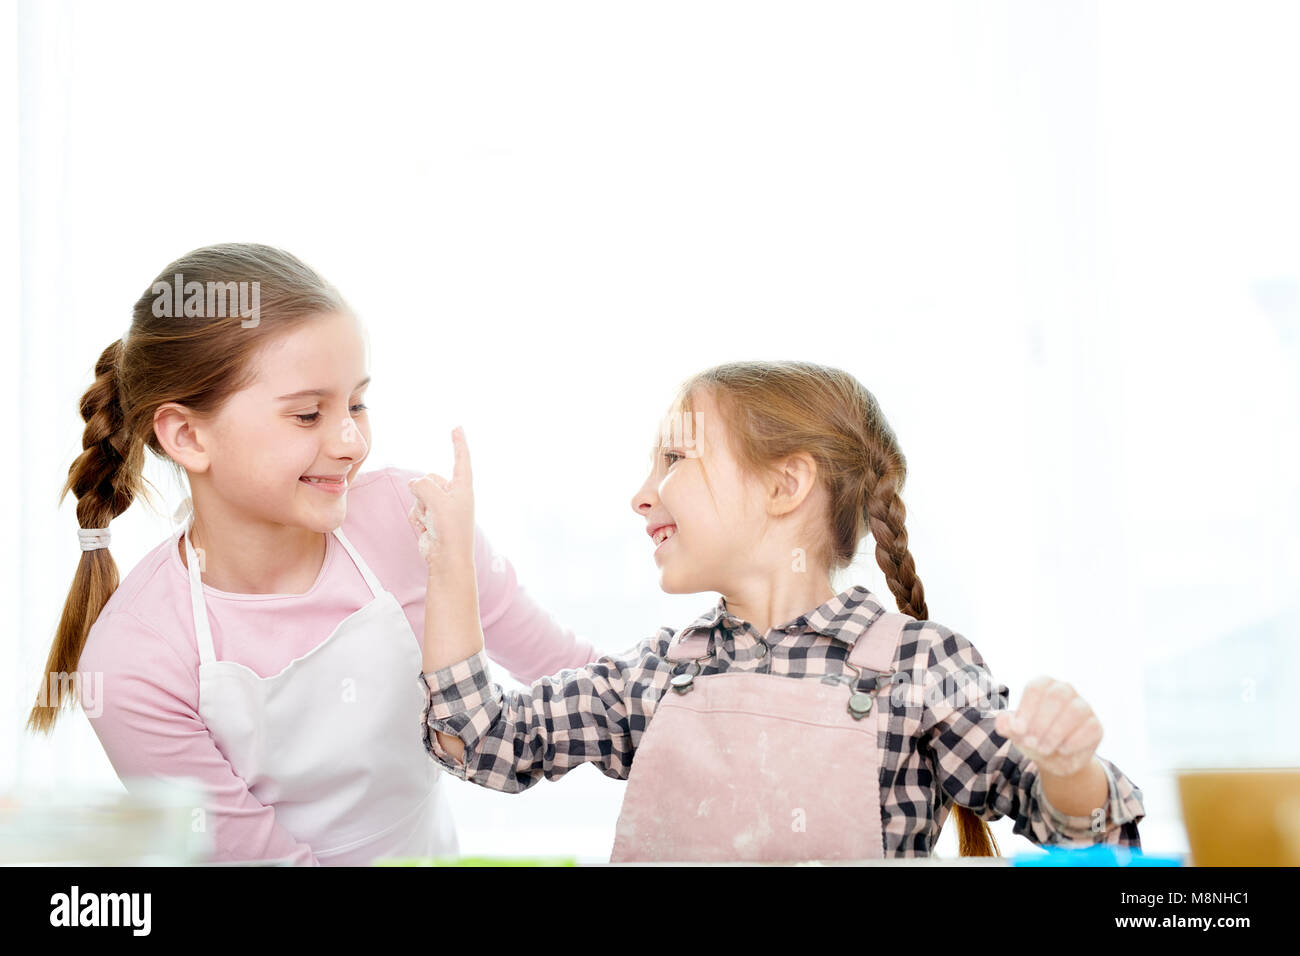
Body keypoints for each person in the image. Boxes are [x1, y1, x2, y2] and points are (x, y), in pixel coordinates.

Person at [410, 361, 1147, 860]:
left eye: (673, 459)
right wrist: (449, 565)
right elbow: (482, 741)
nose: (642, 492)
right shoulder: (658, 675)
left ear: (786, 484)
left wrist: (1066, 765)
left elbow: (1076, 825)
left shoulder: (918, 667)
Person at [26, 243, 600, 865]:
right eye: (307, 414)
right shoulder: (134, 662)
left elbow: (576, 678)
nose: (351, 442)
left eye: (356, 403)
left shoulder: (409, 524)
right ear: (188, 435)